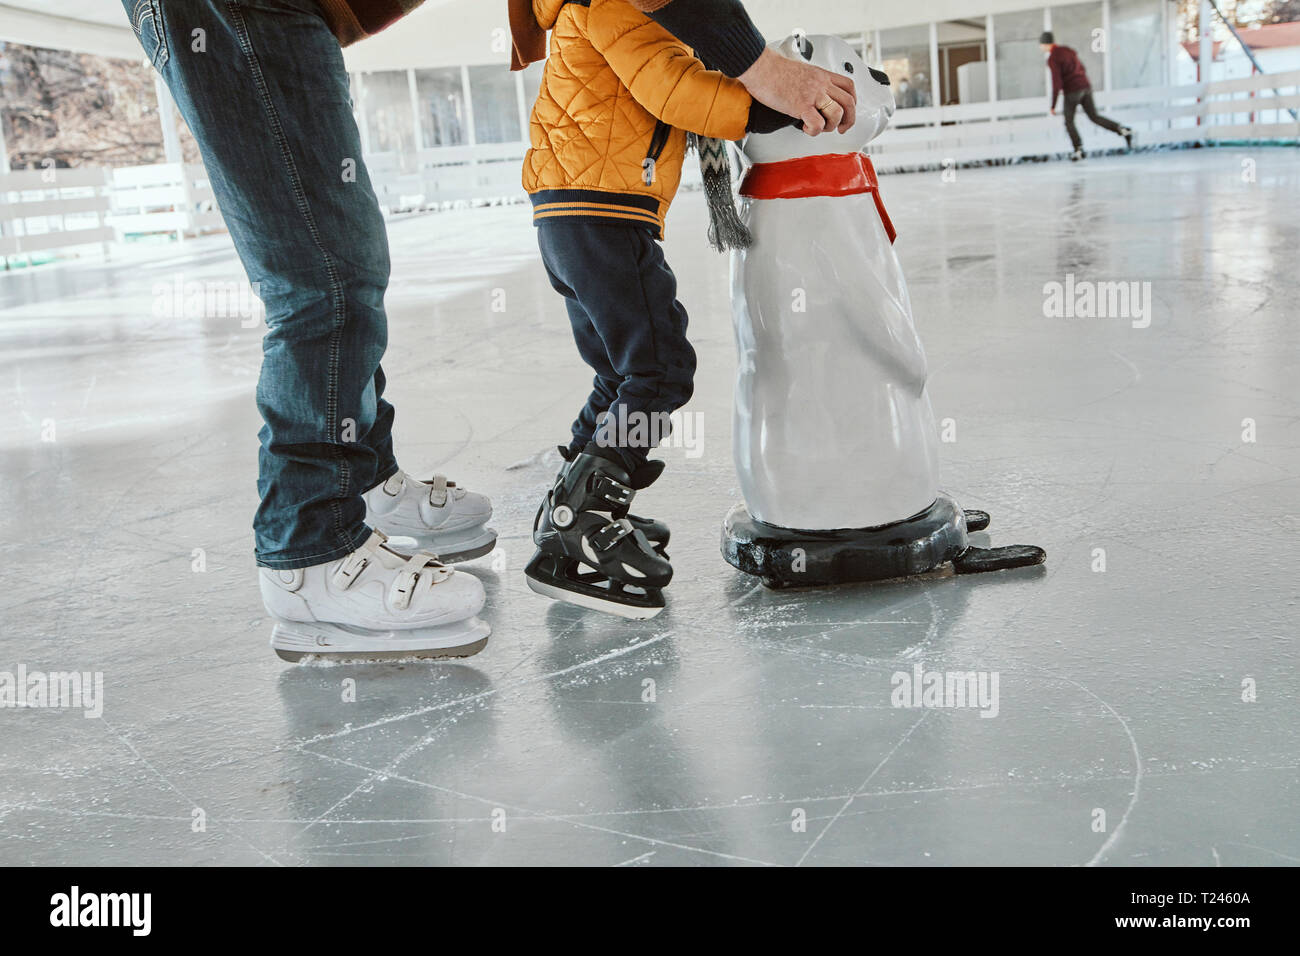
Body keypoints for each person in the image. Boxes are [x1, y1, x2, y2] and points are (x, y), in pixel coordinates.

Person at [120, 0, 855, 659]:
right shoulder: (610, 6)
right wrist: (765, 98)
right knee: (658, 370)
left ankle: (546, 491)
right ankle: (570, 514)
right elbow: (672, 90)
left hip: (578, 212)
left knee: (617, 368)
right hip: (599, 214)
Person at [1040, 31, 1133, 161]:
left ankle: (1078, 150)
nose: (1040, 47)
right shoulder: (1068, 51)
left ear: (1045, 44)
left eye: (1041, 45)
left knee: (1069, 122)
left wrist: (1053, 105)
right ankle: (1122, 129)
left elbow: (1056, 82)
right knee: (1094, 116)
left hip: (1072, 91)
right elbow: (1082, 67)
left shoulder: (1053, 58)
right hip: (1085, 86)